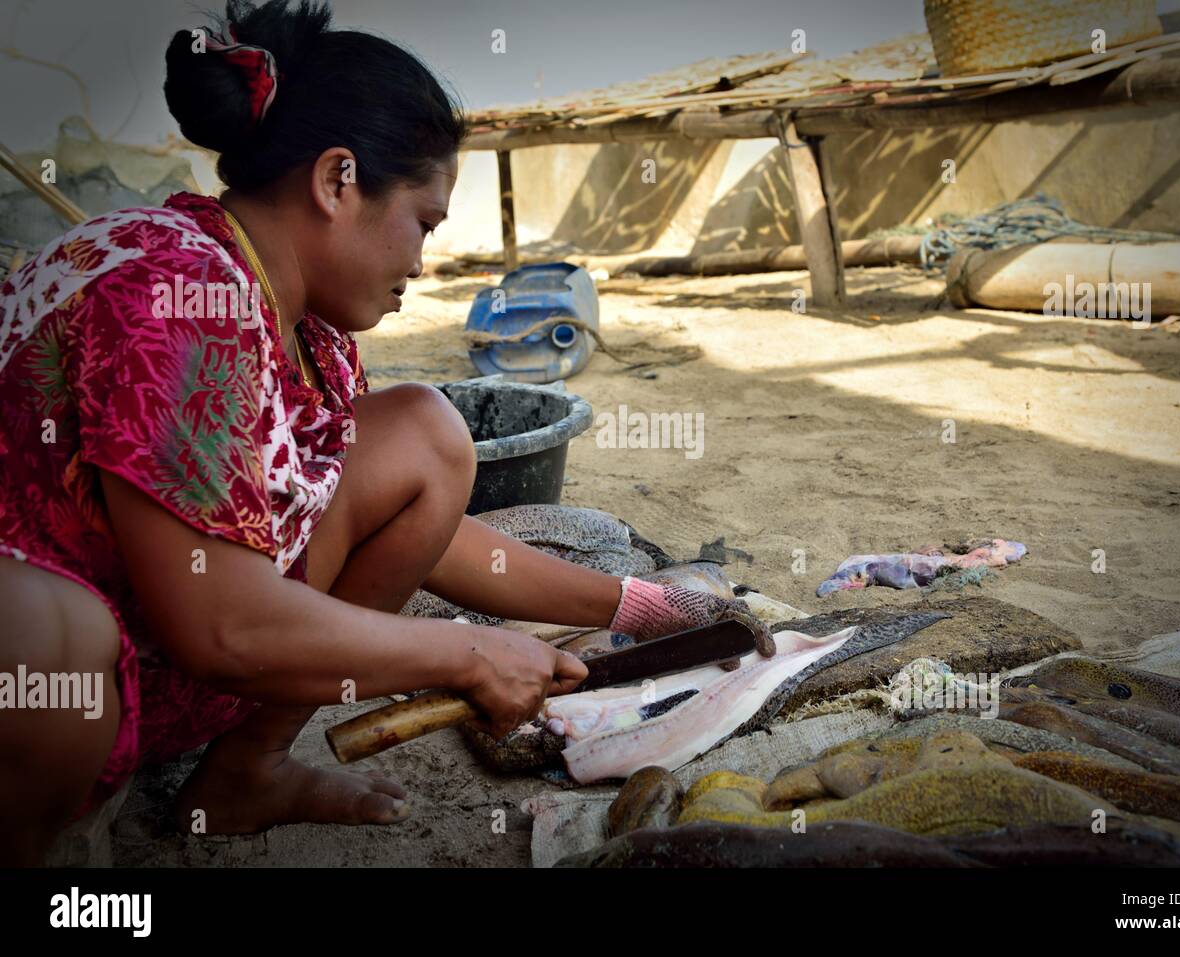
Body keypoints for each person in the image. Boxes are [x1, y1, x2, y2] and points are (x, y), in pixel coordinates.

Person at [0, 0, 772, 866]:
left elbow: (421, 533)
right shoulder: (172, 289)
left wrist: (641, 605)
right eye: (424, 223)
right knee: (42, 631)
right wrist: (466, 651)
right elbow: (220, 628)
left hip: (147, 649)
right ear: (338, 182)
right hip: (56, 672)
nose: (422, 260)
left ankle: (245, 769)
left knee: (425, 436)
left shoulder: (306, 324)